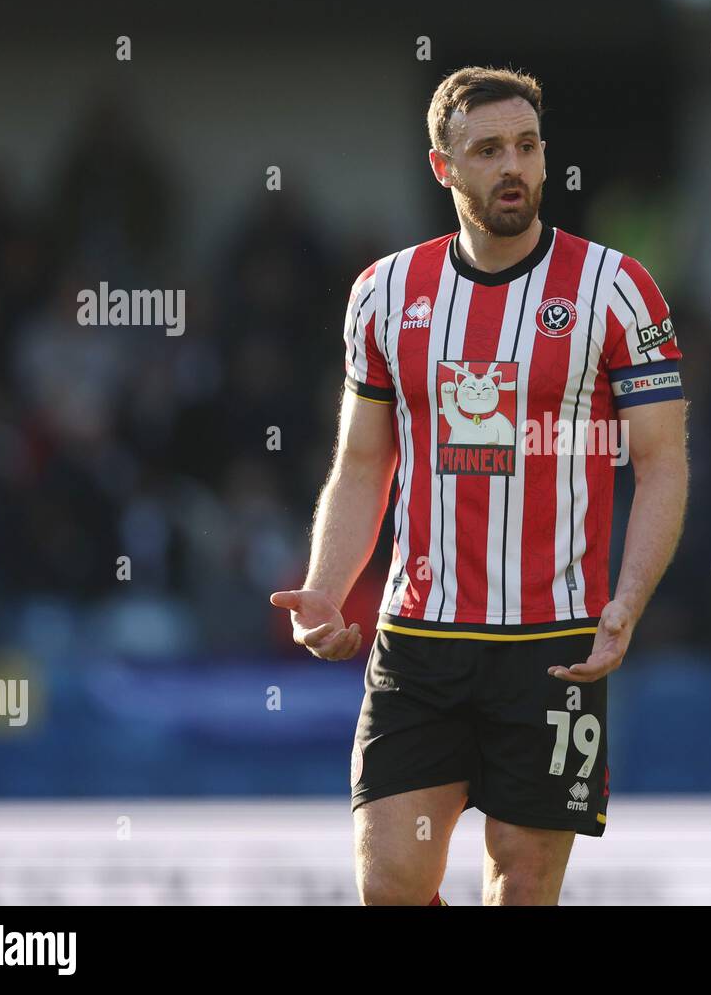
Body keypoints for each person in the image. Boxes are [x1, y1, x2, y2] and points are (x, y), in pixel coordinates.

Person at [271, 65, 688, 905]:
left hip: (554, 644)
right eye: (489, 149)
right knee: (390, 880)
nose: (514, 167)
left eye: (528, 148)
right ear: (444, 167)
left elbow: (662, 463)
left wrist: (628, 602)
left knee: (522, 881)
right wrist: (326, 586)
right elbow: (362, 464)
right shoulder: (384, 293)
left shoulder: (617, 289)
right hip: (419, 640)